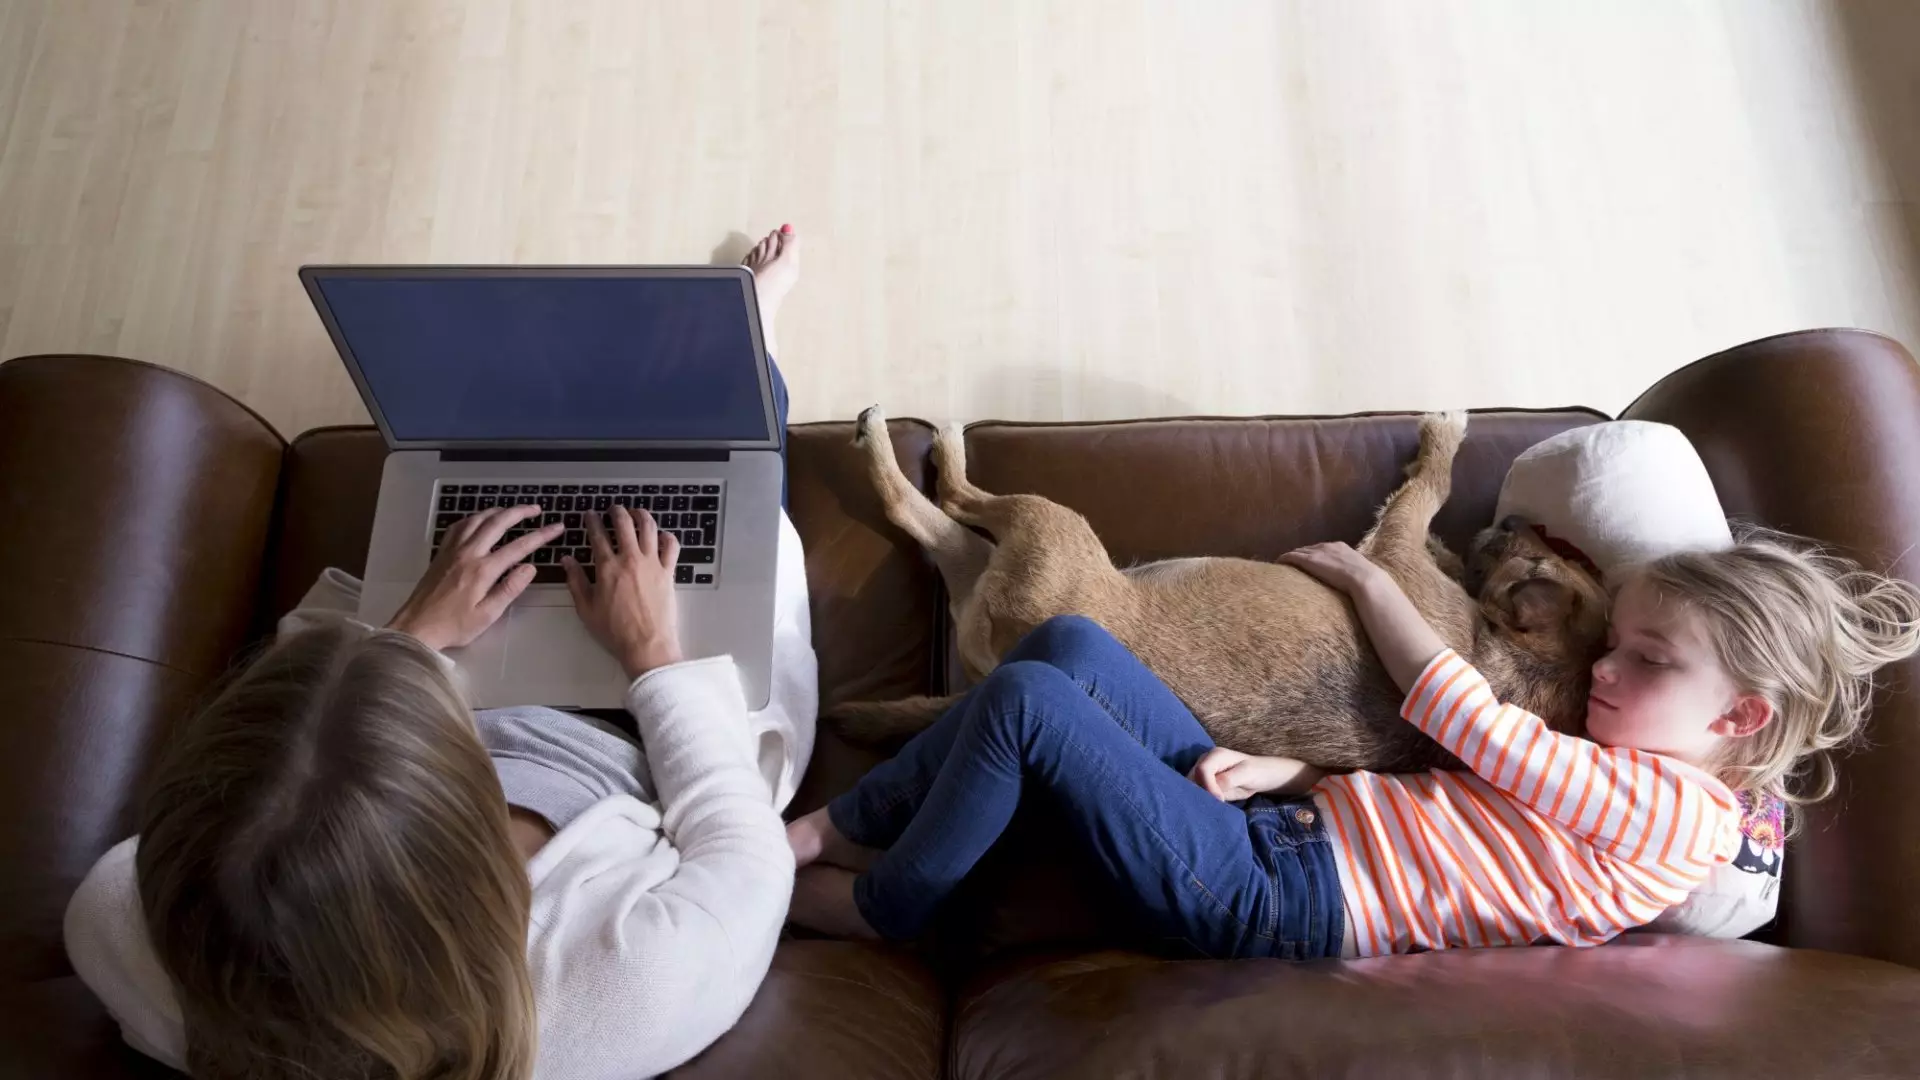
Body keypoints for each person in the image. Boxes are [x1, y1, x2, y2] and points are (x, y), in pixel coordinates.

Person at [63, 226, 815, 1080]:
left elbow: (188, 851)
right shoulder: (617, 993)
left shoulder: (127, 930)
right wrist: (652, 656)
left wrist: (412, 636)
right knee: (725, 487)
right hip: (636, 743)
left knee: (482, 498)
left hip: (463, 685)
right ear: (466, 875)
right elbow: (744, 849)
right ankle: (747, 342)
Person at [787, 525, 1920, 959]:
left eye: (1648, 661)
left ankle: (885, 901)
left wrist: (1375, 581)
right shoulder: (1621, 776)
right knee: (1073, 648)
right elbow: (1450, 808)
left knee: (1030, 711)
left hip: (1273, 899)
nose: (1603, 672)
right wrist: (1305, 770)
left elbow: (1467, 722)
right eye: (1612, 644)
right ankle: (835, 829)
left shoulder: (1684, 813)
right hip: (1284, 825)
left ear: (1740, 719)